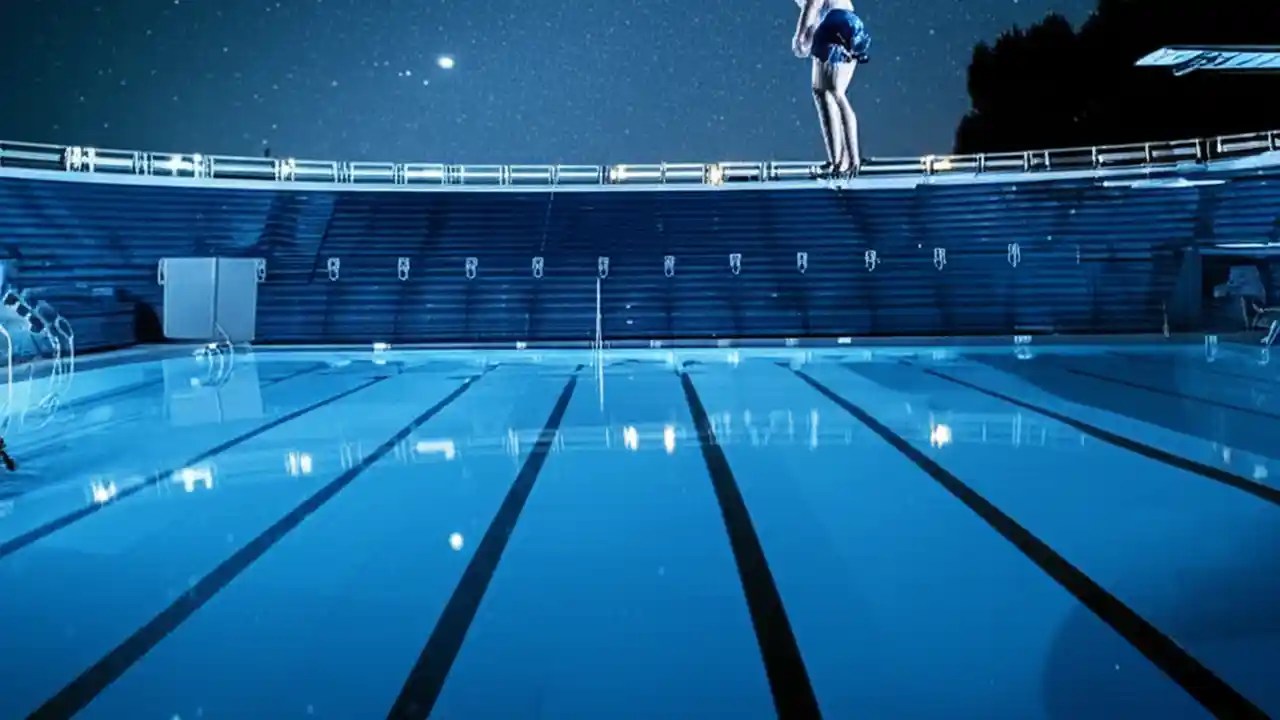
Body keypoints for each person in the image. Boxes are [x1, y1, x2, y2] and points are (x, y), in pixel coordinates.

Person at [792, 0, 871, 177]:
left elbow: (813, 4)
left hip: (834, 24)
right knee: (828, 91)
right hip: (848, 25)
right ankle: (842, 160)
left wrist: (800, 36)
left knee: (830, 92)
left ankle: (847, 160)